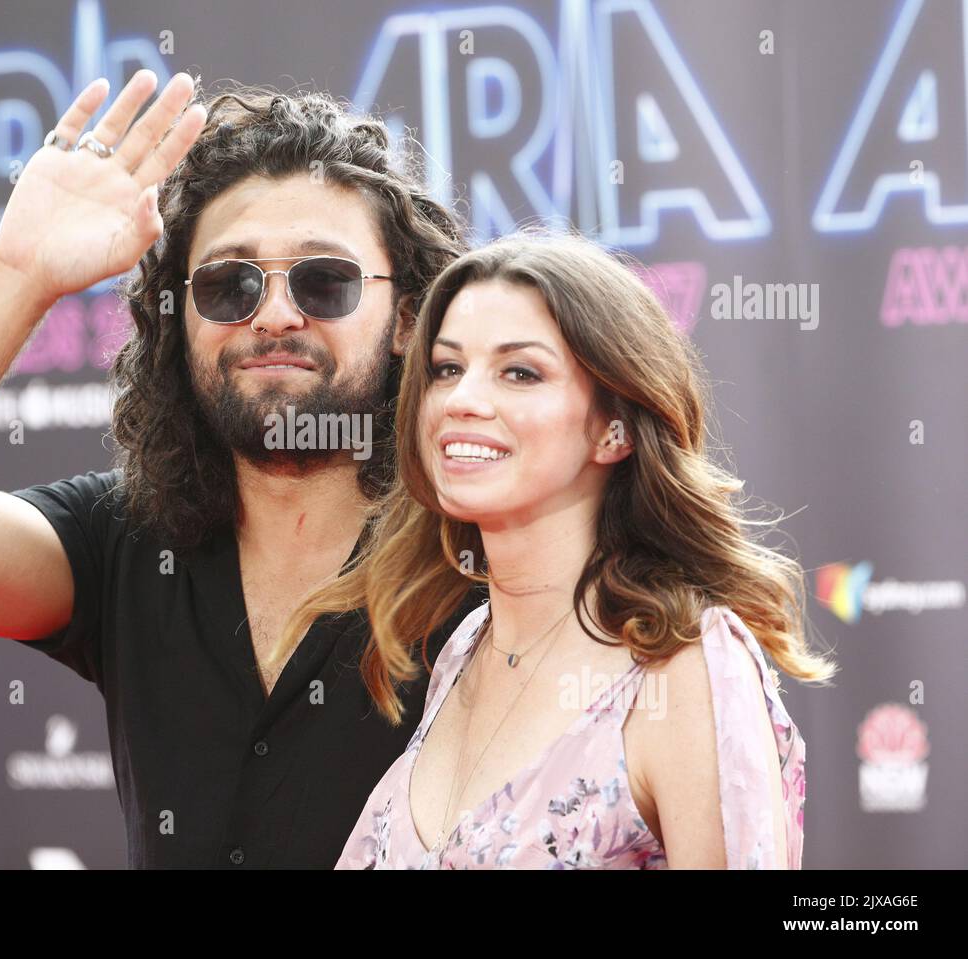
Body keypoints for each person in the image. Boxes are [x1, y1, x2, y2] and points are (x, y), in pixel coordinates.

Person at [0, 70, 476, 868]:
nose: (273, 313)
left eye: (323, 280)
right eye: (229, 284)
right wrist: (19, 274)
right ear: (180, 317)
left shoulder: (483, 550)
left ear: (408, 317)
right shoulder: (126, 539)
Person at [274, 229, 838, 869]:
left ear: (613, 430)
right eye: (447, 369)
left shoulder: (685, 666)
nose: (462, 400)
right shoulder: (466, 649)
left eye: (520, 372)